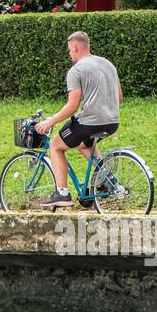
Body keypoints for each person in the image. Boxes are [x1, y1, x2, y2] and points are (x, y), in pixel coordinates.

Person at [34, 31, 121, 209]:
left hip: (89, 122)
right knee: (84, 144)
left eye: (69, 51)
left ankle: (62, 193)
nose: (69, 54)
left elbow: (72, 106)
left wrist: (50, 122)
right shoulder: (108, 64)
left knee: (56, 146)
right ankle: (106, 178)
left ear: (75, 47)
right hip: (112, 121)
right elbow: (119, 97)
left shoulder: (76, 70)